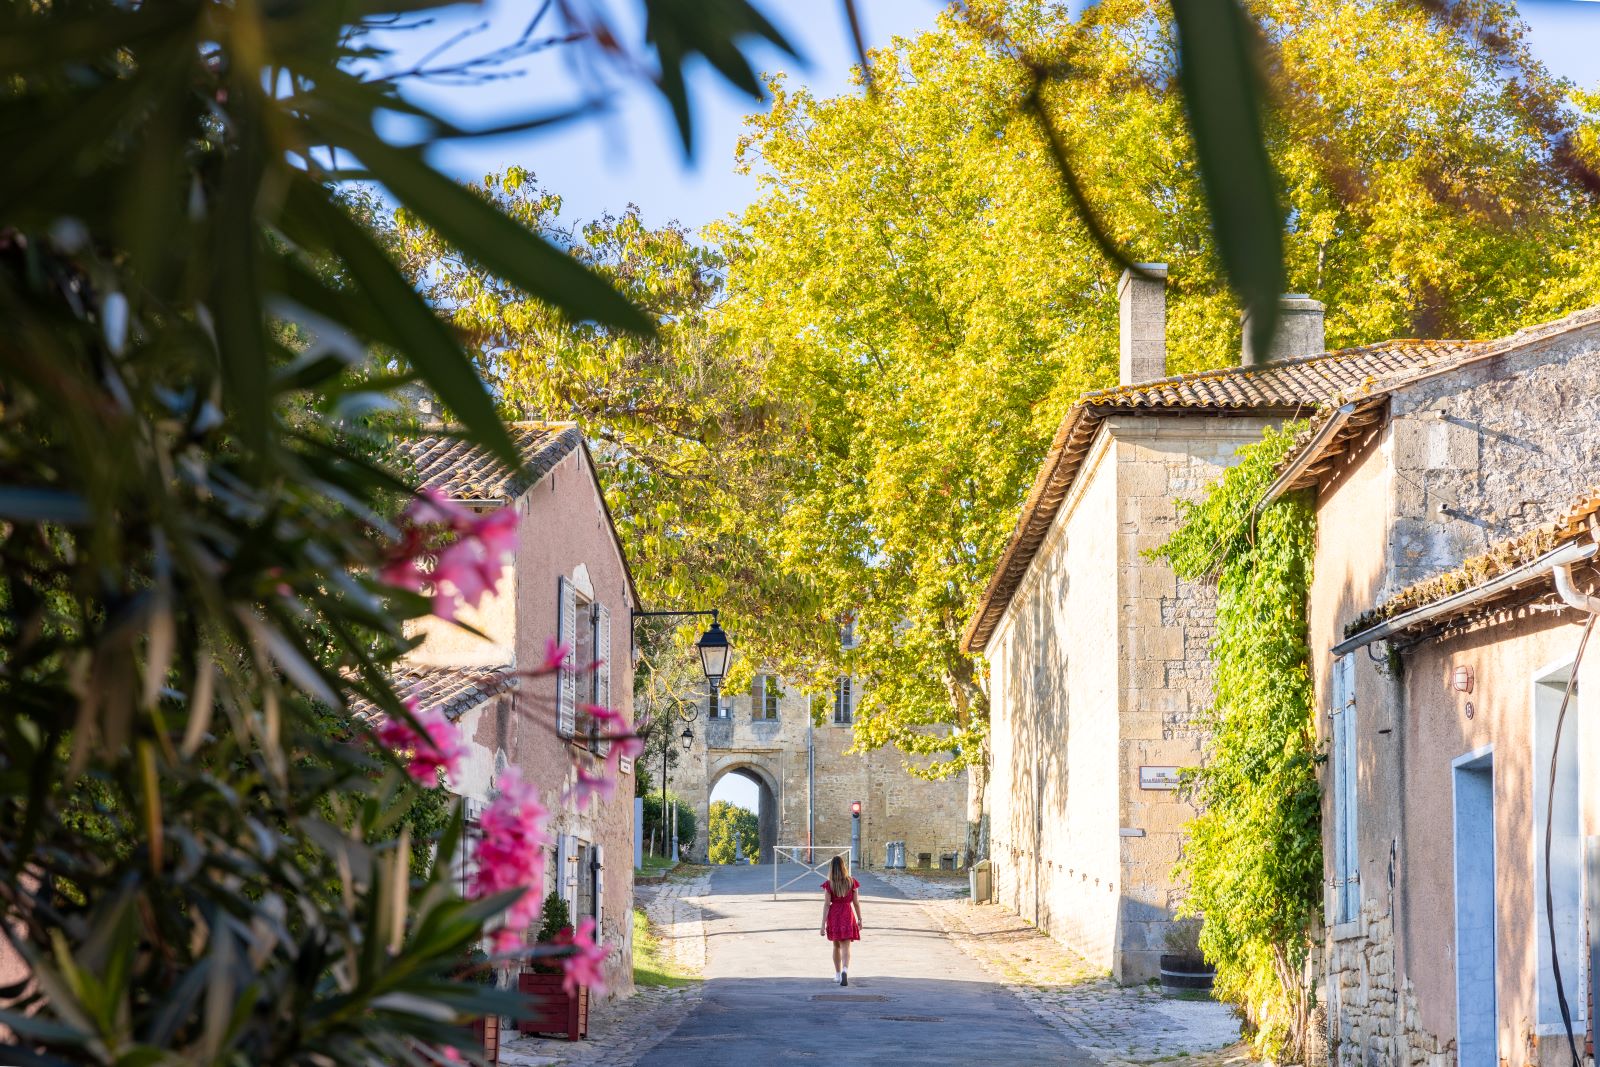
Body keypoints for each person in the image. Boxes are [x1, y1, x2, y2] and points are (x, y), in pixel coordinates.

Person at [820, 854, 862, 985]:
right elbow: (856, 903)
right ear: (844, 867)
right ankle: (845, 970)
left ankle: (837, 975)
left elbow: (827, 904)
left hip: (834, 915)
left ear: (831, 868)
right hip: (847, 914)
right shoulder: (851, 882)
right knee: (846, 946)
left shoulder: (829, 884)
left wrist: (822, 925)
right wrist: (860, 918)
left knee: (836, 946)